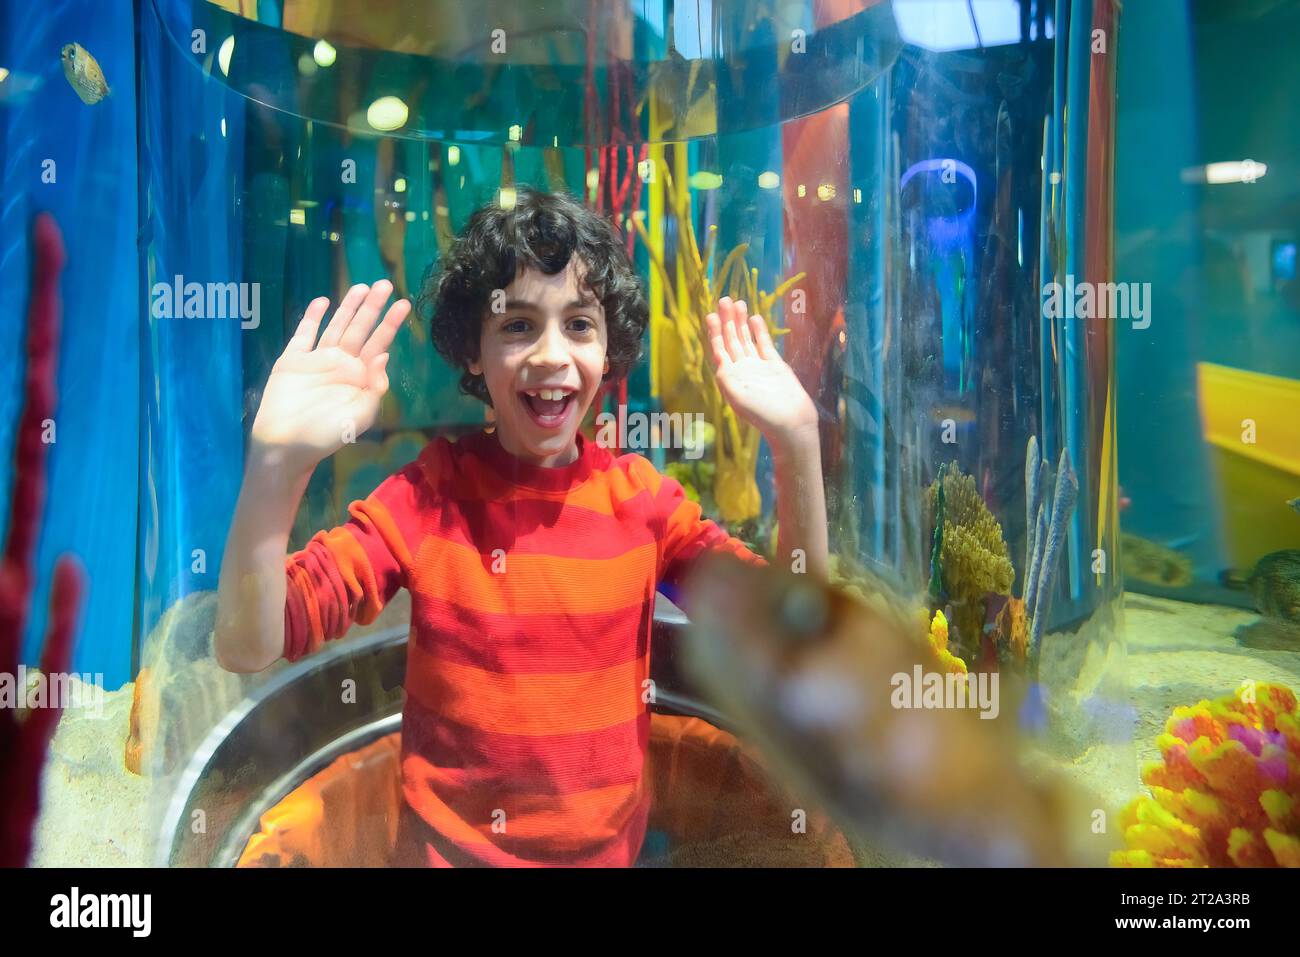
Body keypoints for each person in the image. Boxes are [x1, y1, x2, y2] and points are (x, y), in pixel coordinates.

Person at [213, 187, 828, 866]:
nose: (551, 355)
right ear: (472, 350)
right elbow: (249, 643)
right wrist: (276, 468)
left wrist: (798, 445)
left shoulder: (645, 504)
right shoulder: (428, 497)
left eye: (580, 324)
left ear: (609, 348)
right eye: (517, 325)